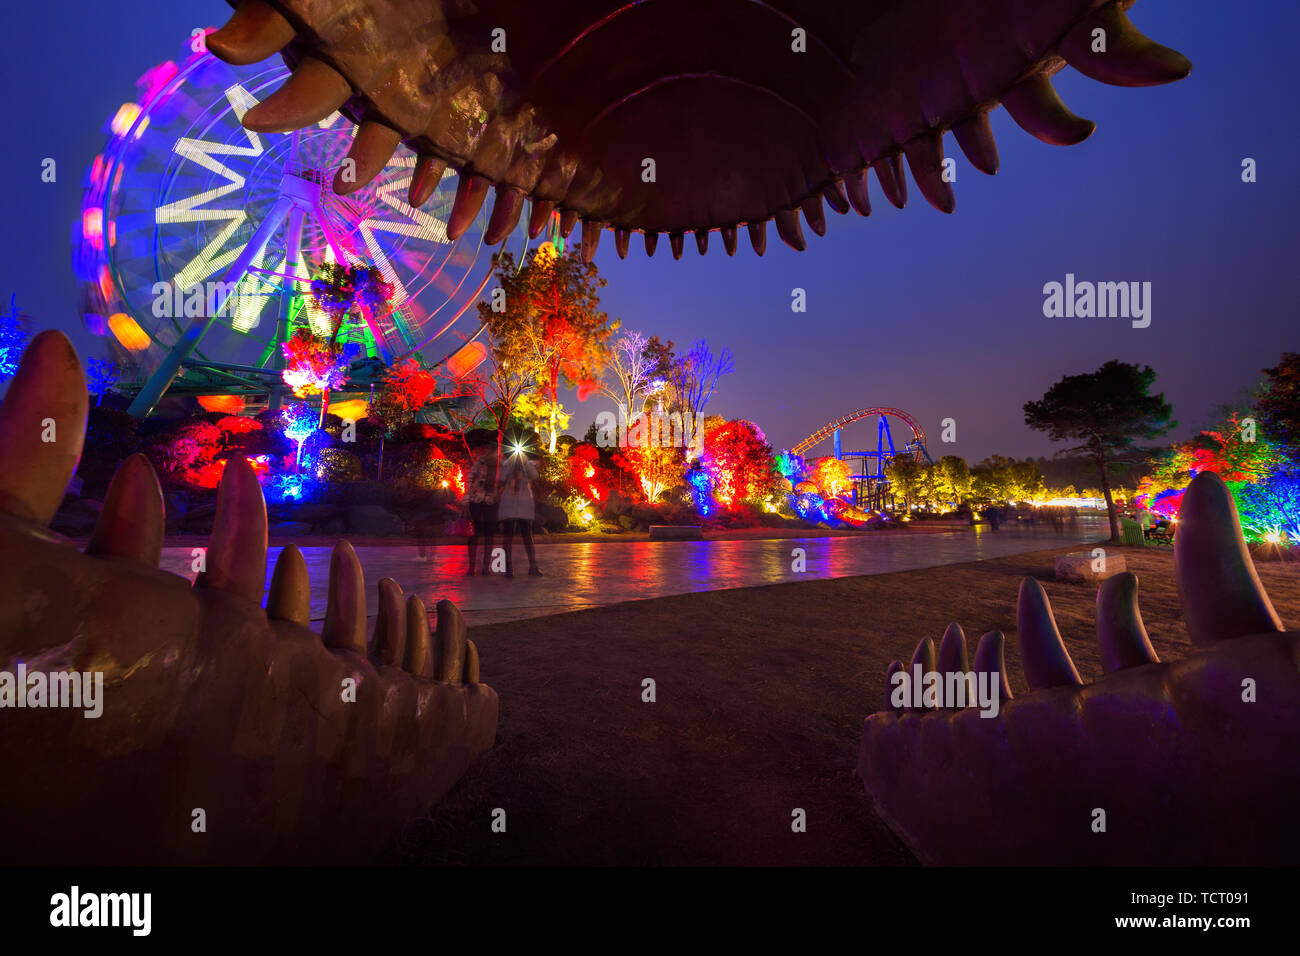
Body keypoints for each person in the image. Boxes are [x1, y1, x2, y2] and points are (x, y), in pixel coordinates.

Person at [496, 438, 542, 577]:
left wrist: (524, 461)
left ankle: (532, 566)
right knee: (508, 537)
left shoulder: (526, 464)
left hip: (523, 504)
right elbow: (501, 478)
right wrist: (512, 463)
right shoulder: (507, 464)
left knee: (527, 536)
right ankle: (507, 568)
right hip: (509, 503)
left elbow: (535, 475)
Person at [462, 434, 500, 576]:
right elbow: (469, 480)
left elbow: (502, 483)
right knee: (475, 533)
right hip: (477, 500)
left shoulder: (499, 466)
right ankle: (472, 567)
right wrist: (467, 498)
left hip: (491, 502)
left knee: (489, 534)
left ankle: (486, 566)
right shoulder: (480, 463)